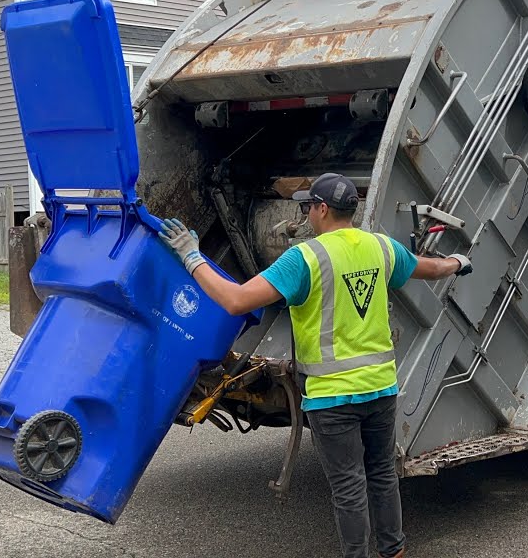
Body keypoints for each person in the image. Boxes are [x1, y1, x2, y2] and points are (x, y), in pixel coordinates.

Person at [158, 172, 472, 558]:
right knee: (382, 476)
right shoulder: (381, 247)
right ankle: (393, 551)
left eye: (307, 206)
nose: (305, 213)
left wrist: (192, 257)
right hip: (381, 388)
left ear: (323, 209)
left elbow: (237, 300)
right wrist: (457, 261)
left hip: (331, 397)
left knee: (348, 487)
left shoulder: (304, 258)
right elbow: (433, 269)